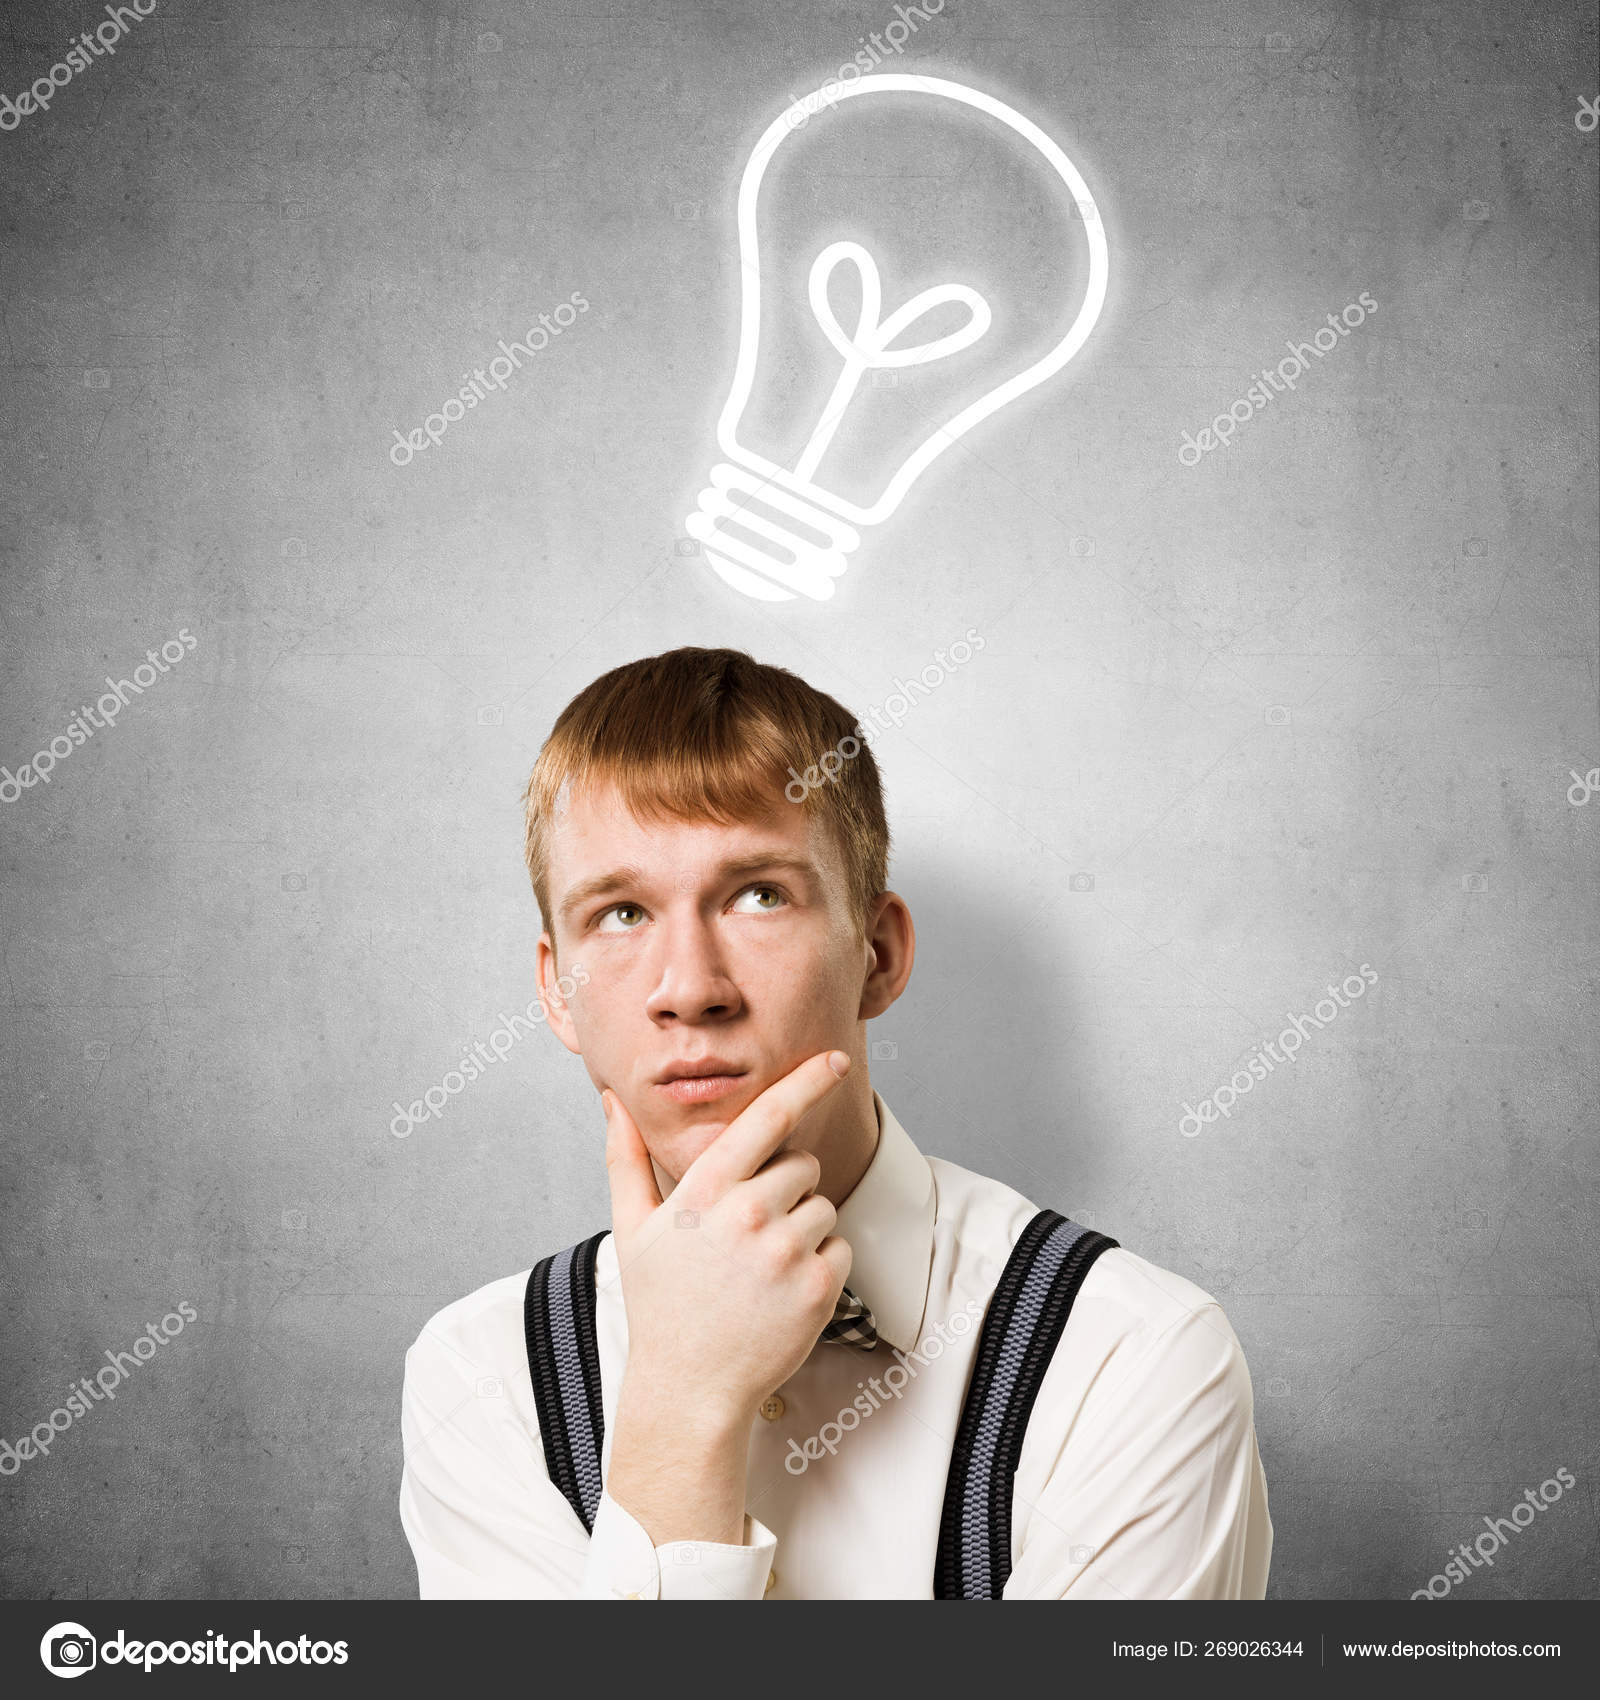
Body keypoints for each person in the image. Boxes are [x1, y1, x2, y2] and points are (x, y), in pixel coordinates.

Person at [399, 646, 1273, 1599]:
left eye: (758, 895)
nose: (689, 988)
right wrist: (683, 1406)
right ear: (556, 994)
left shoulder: (1131, 1359)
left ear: (880, 954)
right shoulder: (483, 1377)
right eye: (619, 914)